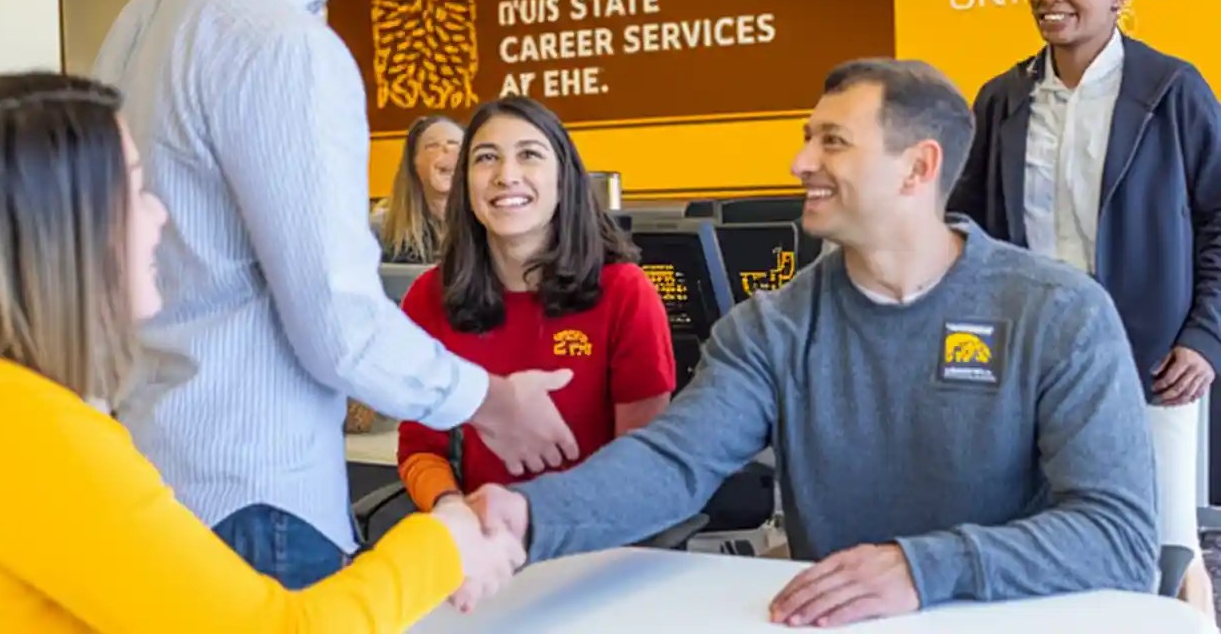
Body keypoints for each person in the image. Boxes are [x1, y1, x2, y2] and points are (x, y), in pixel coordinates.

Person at [461, 59, 1160, 627]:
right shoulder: (771, 328)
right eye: (807, 136)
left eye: (832, 141)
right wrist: (528, 515)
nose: (800, 161)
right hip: (844, 623)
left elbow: (1119, 538)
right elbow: (671, 464)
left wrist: (923, 566)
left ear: (918, 168)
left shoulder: (1057, 313)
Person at [91, 0, 578, 587]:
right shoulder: (285, 43)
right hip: (257, 505)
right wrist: (493, 403)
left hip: (150, 484)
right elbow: (339, 324)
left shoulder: (147, 13)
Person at [0, 72, 523, 633]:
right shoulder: (29, 435)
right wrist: (443, 541)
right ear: (57, 228)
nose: (159, 214)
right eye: (135, 189)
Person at [947, 0, 1221, 614]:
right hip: (1029, 355)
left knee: (1165, 541)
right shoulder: (1004, 97)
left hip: (1153, 358)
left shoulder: (1172, 88)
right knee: (1041, 531)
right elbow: (968, 227)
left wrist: (1205, 336)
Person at [396, 97, 675, 513]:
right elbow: (421, 448)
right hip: (480, 540)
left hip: (594, 537)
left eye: (529, 155)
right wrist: (451, 509)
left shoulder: (624, 292)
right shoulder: (428, 296)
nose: (506, 176)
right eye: (486, 158)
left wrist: (540, 525)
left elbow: (640, 464)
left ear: (564, 179)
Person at [380, 114, 464, 264]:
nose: (446, 149)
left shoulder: (491, 234)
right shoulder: (382, 237)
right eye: (433, 145)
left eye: (455, 144)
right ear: (414, 163)